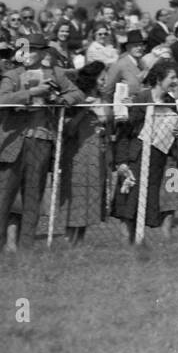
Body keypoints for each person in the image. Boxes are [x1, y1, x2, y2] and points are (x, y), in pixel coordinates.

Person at [0, 33, 83, 252]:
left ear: (43, 53)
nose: (27, 55)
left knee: (33, 197)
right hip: (11, 142)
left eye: (32, 50)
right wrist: (30, 93)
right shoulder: (12, 74)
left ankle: (26, 248)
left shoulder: (55, 73)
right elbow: (1, 101)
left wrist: (59, 100)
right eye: (23, 50)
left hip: (41, 139)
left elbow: (78, 94)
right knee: (2, 199)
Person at [111, 60, 178, 241]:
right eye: (172, 77)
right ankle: (126, 249)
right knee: (129, 206)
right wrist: (121, 162)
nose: (175, 81)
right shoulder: (139, 99)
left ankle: (148, 243)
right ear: (159, 79)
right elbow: (123, 133)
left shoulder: (172, 103)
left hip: (160, 162)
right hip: (135, 159)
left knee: (156, 203)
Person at [56, 62, 109, 245]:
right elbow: (68, 129)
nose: (105, 81)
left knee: (92, 195)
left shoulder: (106, 98)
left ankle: (81, 240)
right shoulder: (78, 98)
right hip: (78, 153)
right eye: (102, 78)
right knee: (76, 194)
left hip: (99, 152)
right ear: (93, 79)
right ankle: (69, 237)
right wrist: (85, 109)